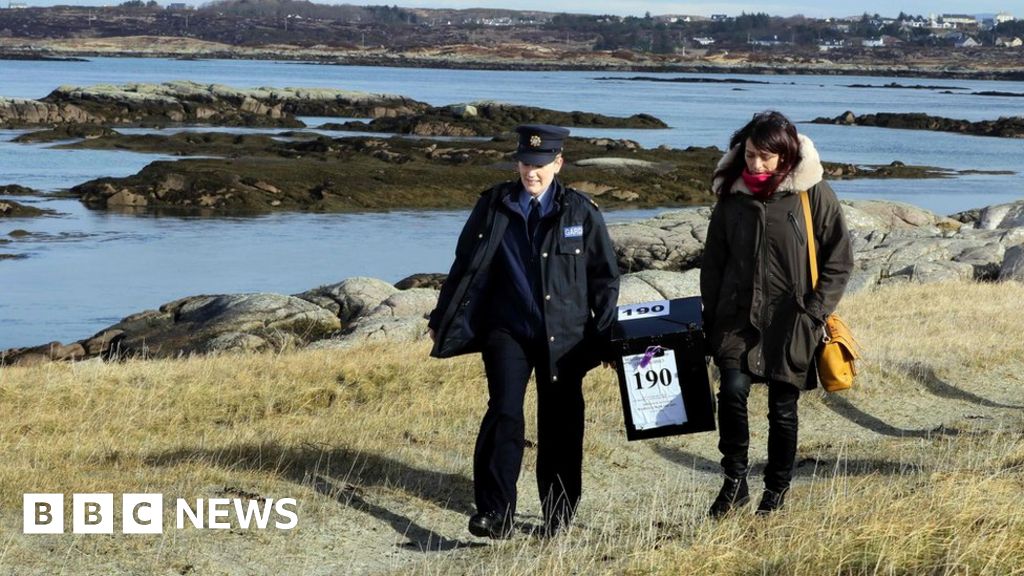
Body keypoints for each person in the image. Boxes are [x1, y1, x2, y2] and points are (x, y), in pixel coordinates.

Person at [428, 124, 620, 539]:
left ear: (558, 163)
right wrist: (440, 317)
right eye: (524, 163)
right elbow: (464, 265)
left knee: (560, 422)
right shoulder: (493, 204)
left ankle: (558, 515)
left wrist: (606, 336)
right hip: (507, 330)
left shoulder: (580, 211)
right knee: (504, 412)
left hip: (566, 337)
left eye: (540, 164)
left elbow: (604, 278)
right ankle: (495, 512)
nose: (531, 172)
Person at [700, 111, 853, 517]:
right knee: (731, 393)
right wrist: (711, 321)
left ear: (785, 156)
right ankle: (734, 483)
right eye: (750, 154)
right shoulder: (731, 195)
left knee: (782, 410)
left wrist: (814, 313)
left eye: (765, 157)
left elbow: (839, 259)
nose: (755, 164)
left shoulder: (812, 193)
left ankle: (776, 492)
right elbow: (713, 263)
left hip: (793, 319)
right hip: (736, 318)